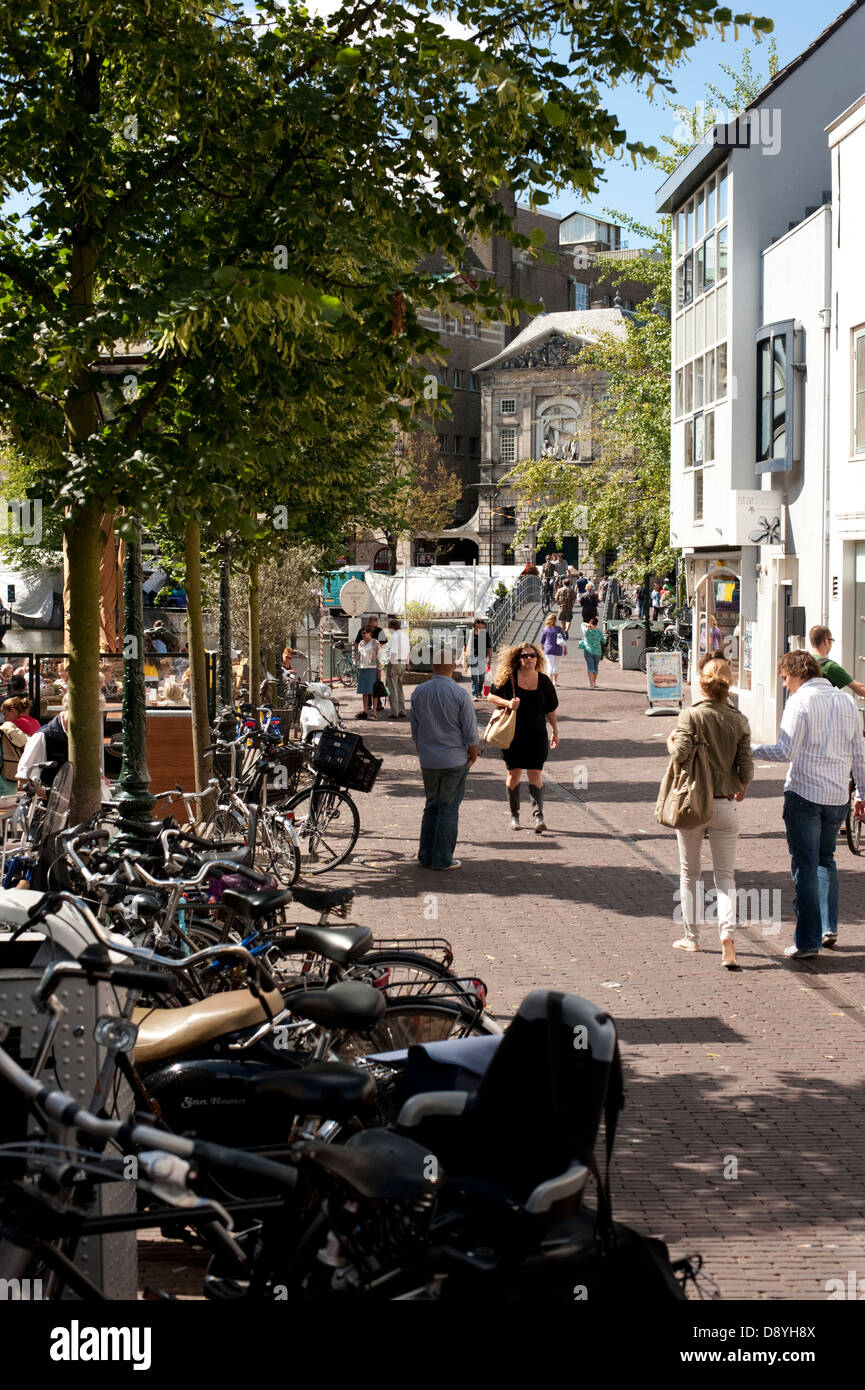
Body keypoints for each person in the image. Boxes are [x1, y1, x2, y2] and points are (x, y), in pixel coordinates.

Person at [752, 650, 865, 958]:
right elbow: (860, 753)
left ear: (797, 674)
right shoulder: (847, 702)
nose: (786, 685)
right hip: (837, 796)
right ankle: (829, 927)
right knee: (826, 860)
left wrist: (749, 749)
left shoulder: (799, 701)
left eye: (785, 679)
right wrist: (862, 795)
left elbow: (785, 751)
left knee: (805, 866)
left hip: (805, 794)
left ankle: (807, 941)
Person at [668, 655, 754, 967]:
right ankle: (727, 934)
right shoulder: (738, 719)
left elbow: (680, 756)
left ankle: (691, 938)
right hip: (725, 802)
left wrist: (670, 742)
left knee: (690, 872)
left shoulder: (691, 715)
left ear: (703, 683)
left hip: (694, 802)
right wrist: (740, 785)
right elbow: (746, 767)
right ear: (727, 684)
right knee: (726, 877)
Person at [409, 650, 479, 870]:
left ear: (432, 667)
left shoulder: (418, 692)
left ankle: (425, 854)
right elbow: (470, 732)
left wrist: (423, 753)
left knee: (431, 806)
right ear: (453, 667)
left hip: (429, 760)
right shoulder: (459, 694)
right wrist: (473, 755)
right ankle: (442, 858)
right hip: (453, 759)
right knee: (448, 808)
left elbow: (416, 730)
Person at [488, 643, 559, 833]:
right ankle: (514, 814)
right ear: (517, 659)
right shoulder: (509, 678)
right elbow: (491, 696)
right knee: (514, 774)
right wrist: (507, 703)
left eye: (532, 656)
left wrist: (555, 731)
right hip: (513, 736)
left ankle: (538, 816)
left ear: (538, 659)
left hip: (537, 735)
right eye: (524, 656)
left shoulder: (544, 681)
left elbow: (551, 709)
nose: (528, 659)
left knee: (535, 774)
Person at [16, 696, 70, 789]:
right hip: (50, 802)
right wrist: (49, 795)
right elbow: (23, 780)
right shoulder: (43, 736)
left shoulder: (87, 736)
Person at [809, 625, 865, 698]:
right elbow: (859, 689)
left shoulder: (801, 661)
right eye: (831, 640)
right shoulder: (829, 666)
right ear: (826, 641)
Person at [354, 627, 382, 720]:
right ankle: (365, 711)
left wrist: (379, 669)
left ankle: (374, 713)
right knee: (364, 691)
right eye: (362, 633)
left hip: (372, 669)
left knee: (374, 691)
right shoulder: (361, 643)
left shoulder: (375, 642)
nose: (363, 635)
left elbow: (380, 656)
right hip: (362, 668)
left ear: (370, 633)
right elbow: (359, 655)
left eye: (365, 633)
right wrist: (357, 666)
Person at [385, 617, 410, 718]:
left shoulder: (394, 636)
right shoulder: (405, 635)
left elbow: (394, 652)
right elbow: (408, 650)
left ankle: (394, 712)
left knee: (392, 688)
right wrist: (408, 663)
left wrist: (392, 668)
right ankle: (402, 710)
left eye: (389, 628)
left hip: (395, 663)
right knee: (399, 687)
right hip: (403, 663)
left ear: (392, 627)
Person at [461, 618, 488, 701]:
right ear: (477, 624)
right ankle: (475, 694)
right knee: (474, 676)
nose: (484, 624)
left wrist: (489, 658)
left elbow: (488, 646)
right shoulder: (470, 633)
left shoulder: (485, 634)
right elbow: (465, 646)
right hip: (472, 657)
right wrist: (463, 658)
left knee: (482, 677)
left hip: (481, 658)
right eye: (482, 623)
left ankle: (479, 690)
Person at [578, 615, 606, 689]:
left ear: (590, 623)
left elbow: (582, 624)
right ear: (596, 624)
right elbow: (604, 641)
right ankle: (594, 682)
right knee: (595, 668)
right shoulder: (599, 632)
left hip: (588, 651)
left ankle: (591, 684)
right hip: (598, 652)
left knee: (590, 667)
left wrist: (588, 625)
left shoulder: (586, 631)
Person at [540, 613, 567, 685]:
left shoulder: (545, 629)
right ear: (555, 620)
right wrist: (565, 649)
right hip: (558, 649)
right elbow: (564, 639)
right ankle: (555, 681)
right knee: (556, 665)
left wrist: (542, 646)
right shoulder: (559, 629)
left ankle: (550, 682)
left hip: (549, 649)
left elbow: (542, 640)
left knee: (550, 665)